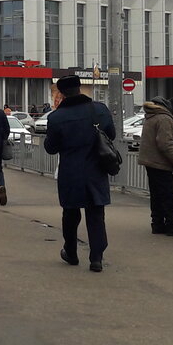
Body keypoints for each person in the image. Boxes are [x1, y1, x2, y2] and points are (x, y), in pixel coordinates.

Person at [43, 75, 115, 273]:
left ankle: (71, 252)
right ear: (79, 88)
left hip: (71, 172)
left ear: (63, 93)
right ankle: (97, 258)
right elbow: (112, 135)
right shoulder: (99, 110)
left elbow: (51, 148)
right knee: (96, 213)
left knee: (70, 213)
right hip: (96, 170)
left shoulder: (56, 117)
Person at [138, 96, 173, 237]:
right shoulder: (165, 119)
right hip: (160, 163)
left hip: (150, 161)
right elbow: (165, 144)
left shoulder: (152, 116)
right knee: (168, 196)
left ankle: (158, 224)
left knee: (157, 196)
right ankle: (171, 225)